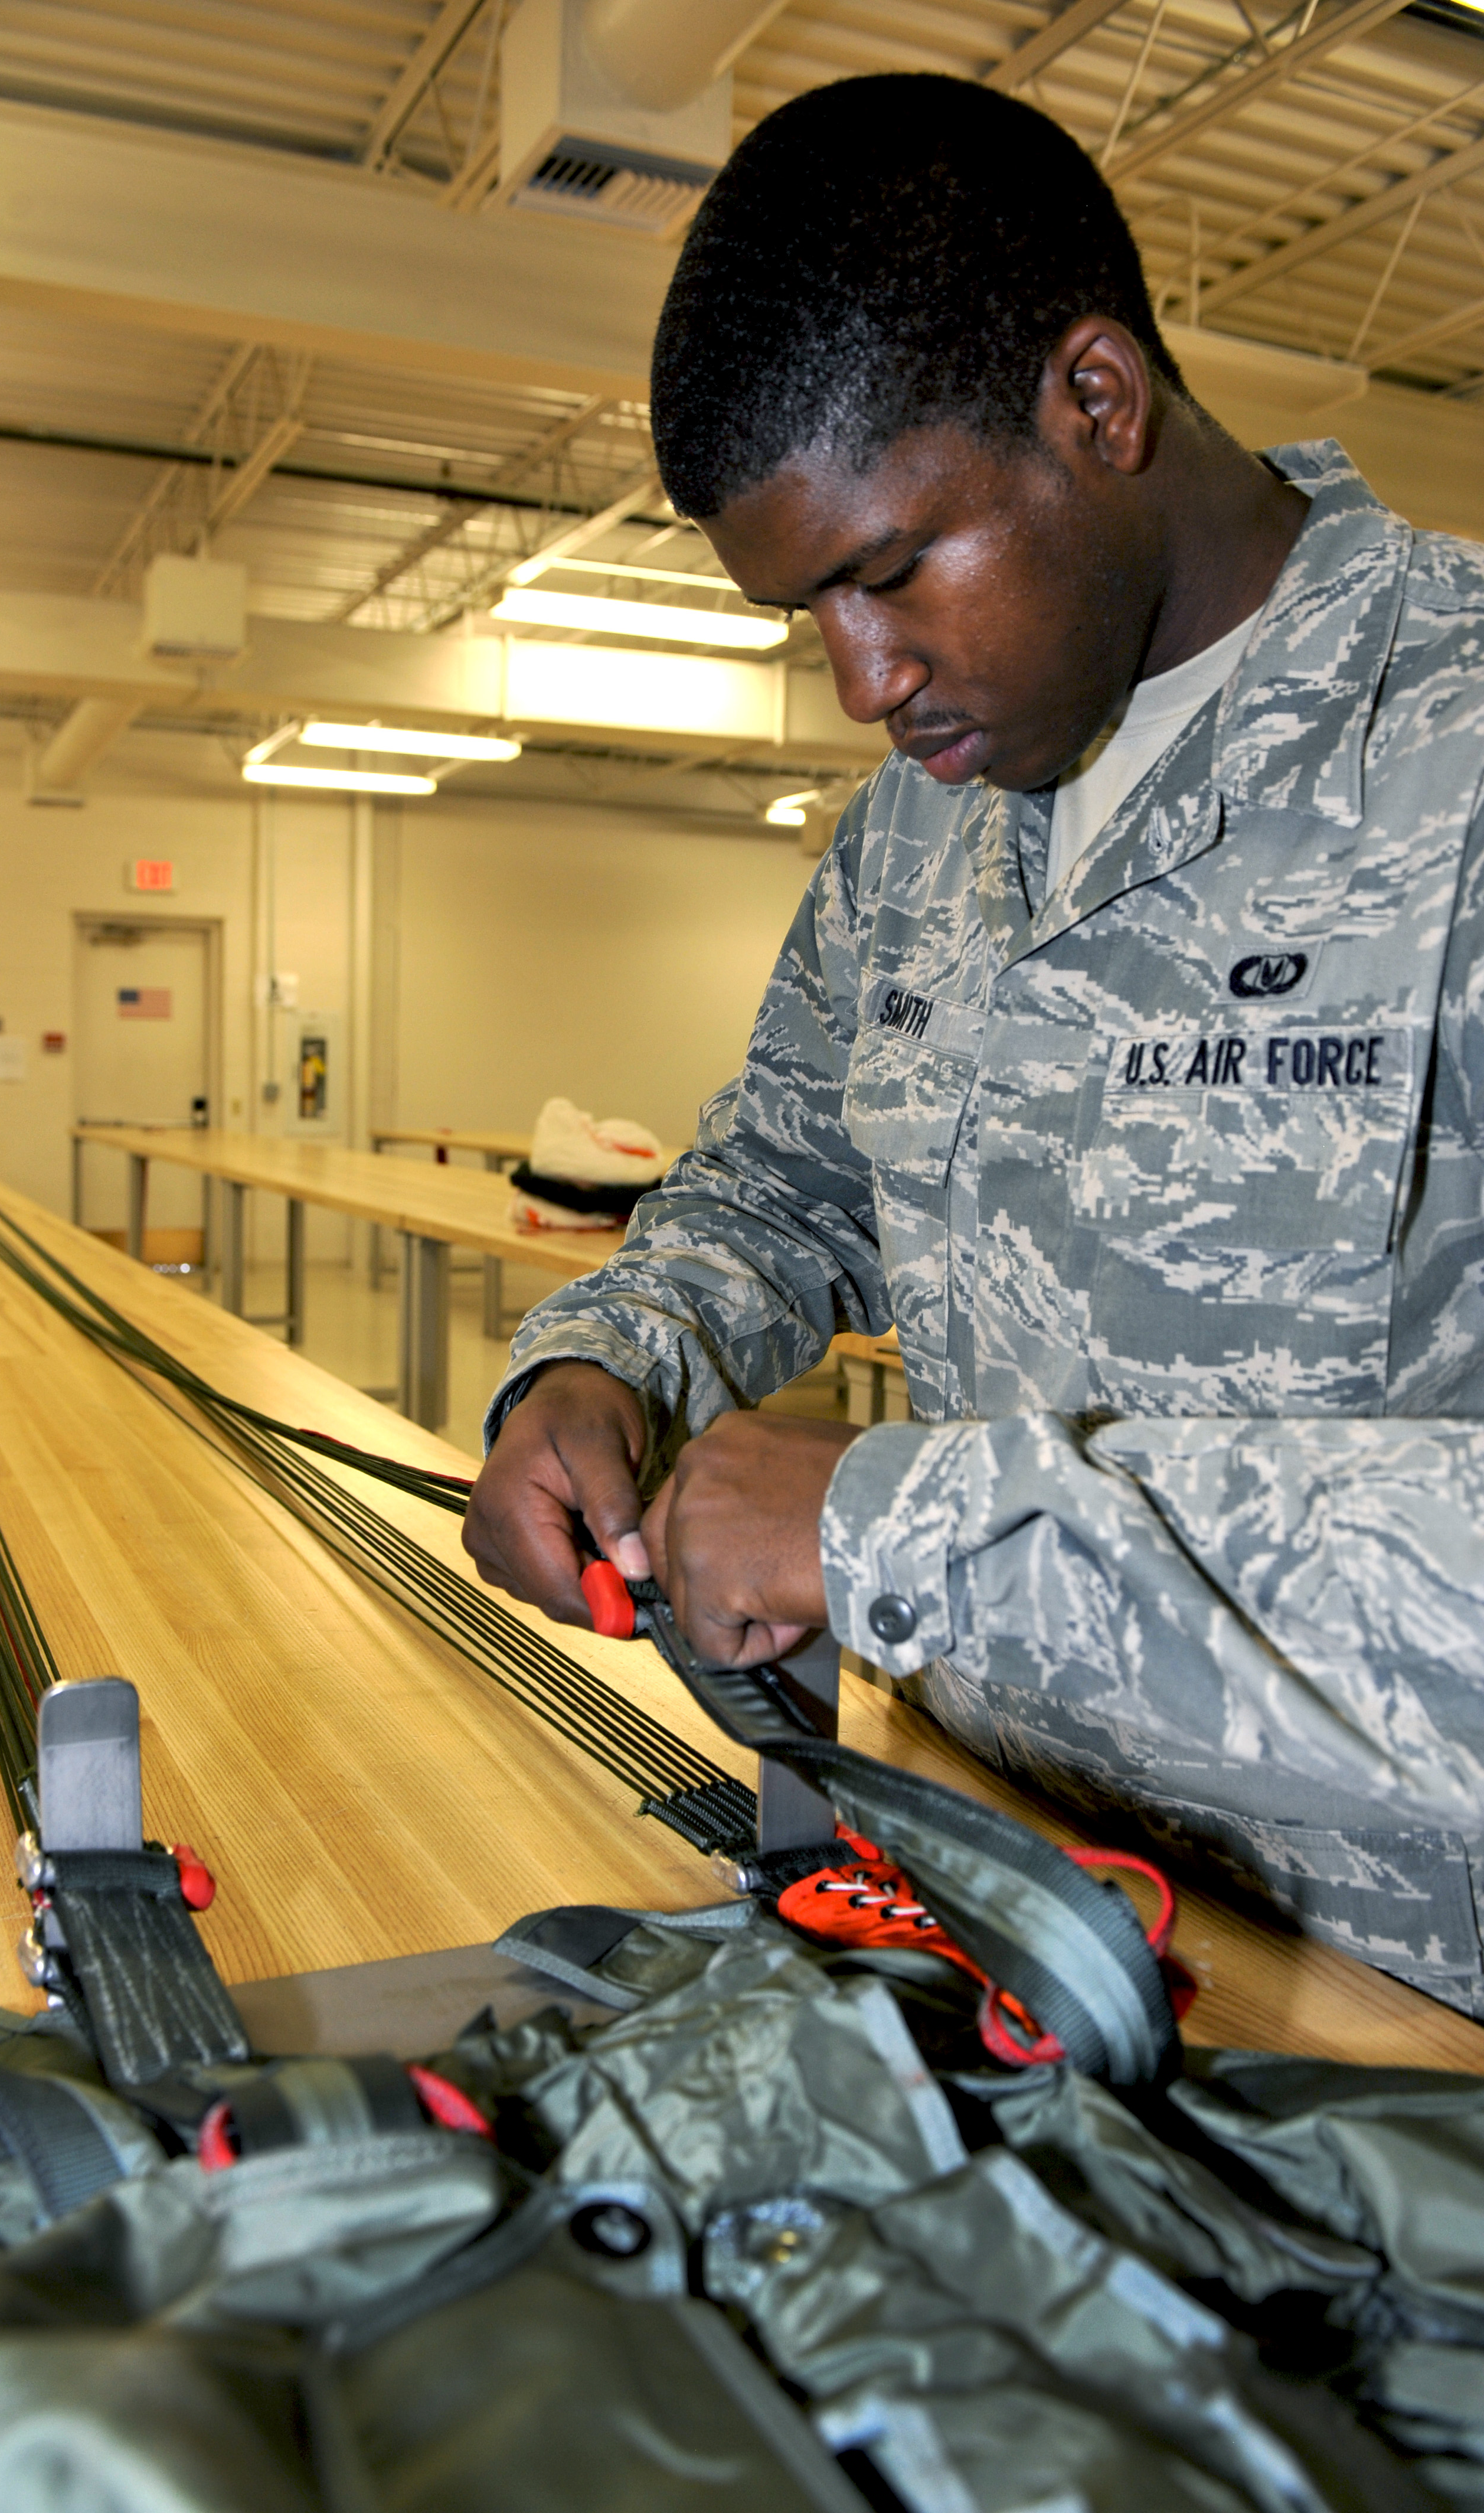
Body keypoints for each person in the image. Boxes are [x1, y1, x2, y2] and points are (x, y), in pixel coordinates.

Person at [464, 73, 1484, 2014]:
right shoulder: (922, 832)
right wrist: (608, 1360)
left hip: (1397, 2019)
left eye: (886, 571)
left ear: (1096, 403)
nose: (862, 682)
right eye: (808, 613)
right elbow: (786, 1179)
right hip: (994, 1914)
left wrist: (892, 1524)